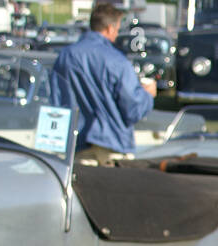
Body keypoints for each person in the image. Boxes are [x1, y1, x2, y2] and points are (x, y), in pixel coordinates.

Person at [49, 3, 155, 162]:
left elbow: (56, 101)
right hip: (111, 145)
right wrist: (147, 95)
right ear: (110, 29)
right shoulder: (117, 61)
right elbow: (132, 108)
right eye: (117, 29)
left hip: (75, 144)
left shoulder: (66, 56)